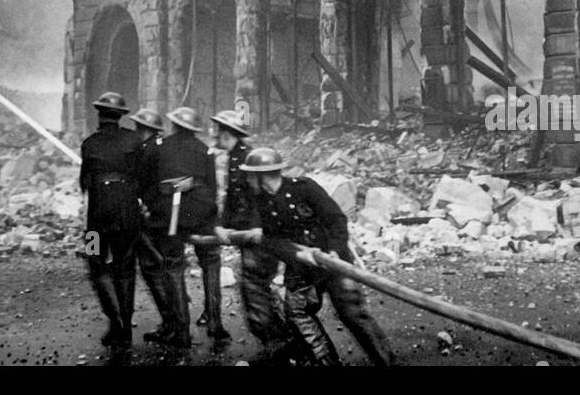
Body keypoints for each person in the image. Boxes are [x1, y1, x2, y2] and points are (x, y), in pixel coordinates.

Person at [237, 146, 394, 366]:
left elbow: (336, 219)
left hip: (334, 260)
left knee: (351, 311)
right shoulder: (262, 202)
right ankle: (327, 361)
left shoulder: (305, 188)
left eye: (250, 175)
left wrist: (335, 251)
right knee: (296, 310)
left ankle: (385, 362)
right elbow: (272, 242)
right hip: (302, 267)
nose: (247, 179)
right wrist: (298, 255)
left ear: (261, 176)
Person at [209, 110, 291, 355]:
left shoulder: (249, 158)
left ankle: (276, 344)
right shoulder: (235, 157)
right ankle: (281, 339)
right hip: (247, 230)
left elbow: (260, 197)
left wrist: (257, 226)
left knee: (254, 286)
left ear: (227, 133)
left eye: (218, 131)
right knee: (258, 286)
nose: (215, 135)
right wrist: (223, 225)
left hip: (259, 231)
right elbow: (234, 198)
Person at [136, 106, 217, 349]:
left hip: (167, 216)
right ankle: (215, 323)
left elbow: (145, 182)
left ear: (173, 125)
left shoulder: (158, 147)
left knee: (172, 267)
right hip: (200, 216)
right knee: (210, 262)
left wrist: (153, 205)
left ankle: (180, 330)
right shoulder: (206, 150)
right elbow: (212, 189)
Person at [77, 92, 142, 348]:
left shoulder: (89, 144)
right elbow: (141, 177)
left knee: (95, 262)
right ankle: (125, 326)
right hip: (127, 217)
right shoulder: (134, 141)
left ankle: (115, 322)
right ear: (121, 116)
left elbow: (84, 183)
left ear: (100, 115)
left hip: (96, 222)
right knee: (126, 267)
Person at [129, 107, 175, 342]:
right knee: (167, 268)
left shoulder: (145, 152)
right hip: (169, 217)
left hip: (151, 219)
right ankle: (176, 320)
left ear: (143, 129)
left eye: (138, 127)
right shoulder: (166, 147)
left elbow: (138, 184)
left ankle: (170, 323)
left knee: (152, 270)